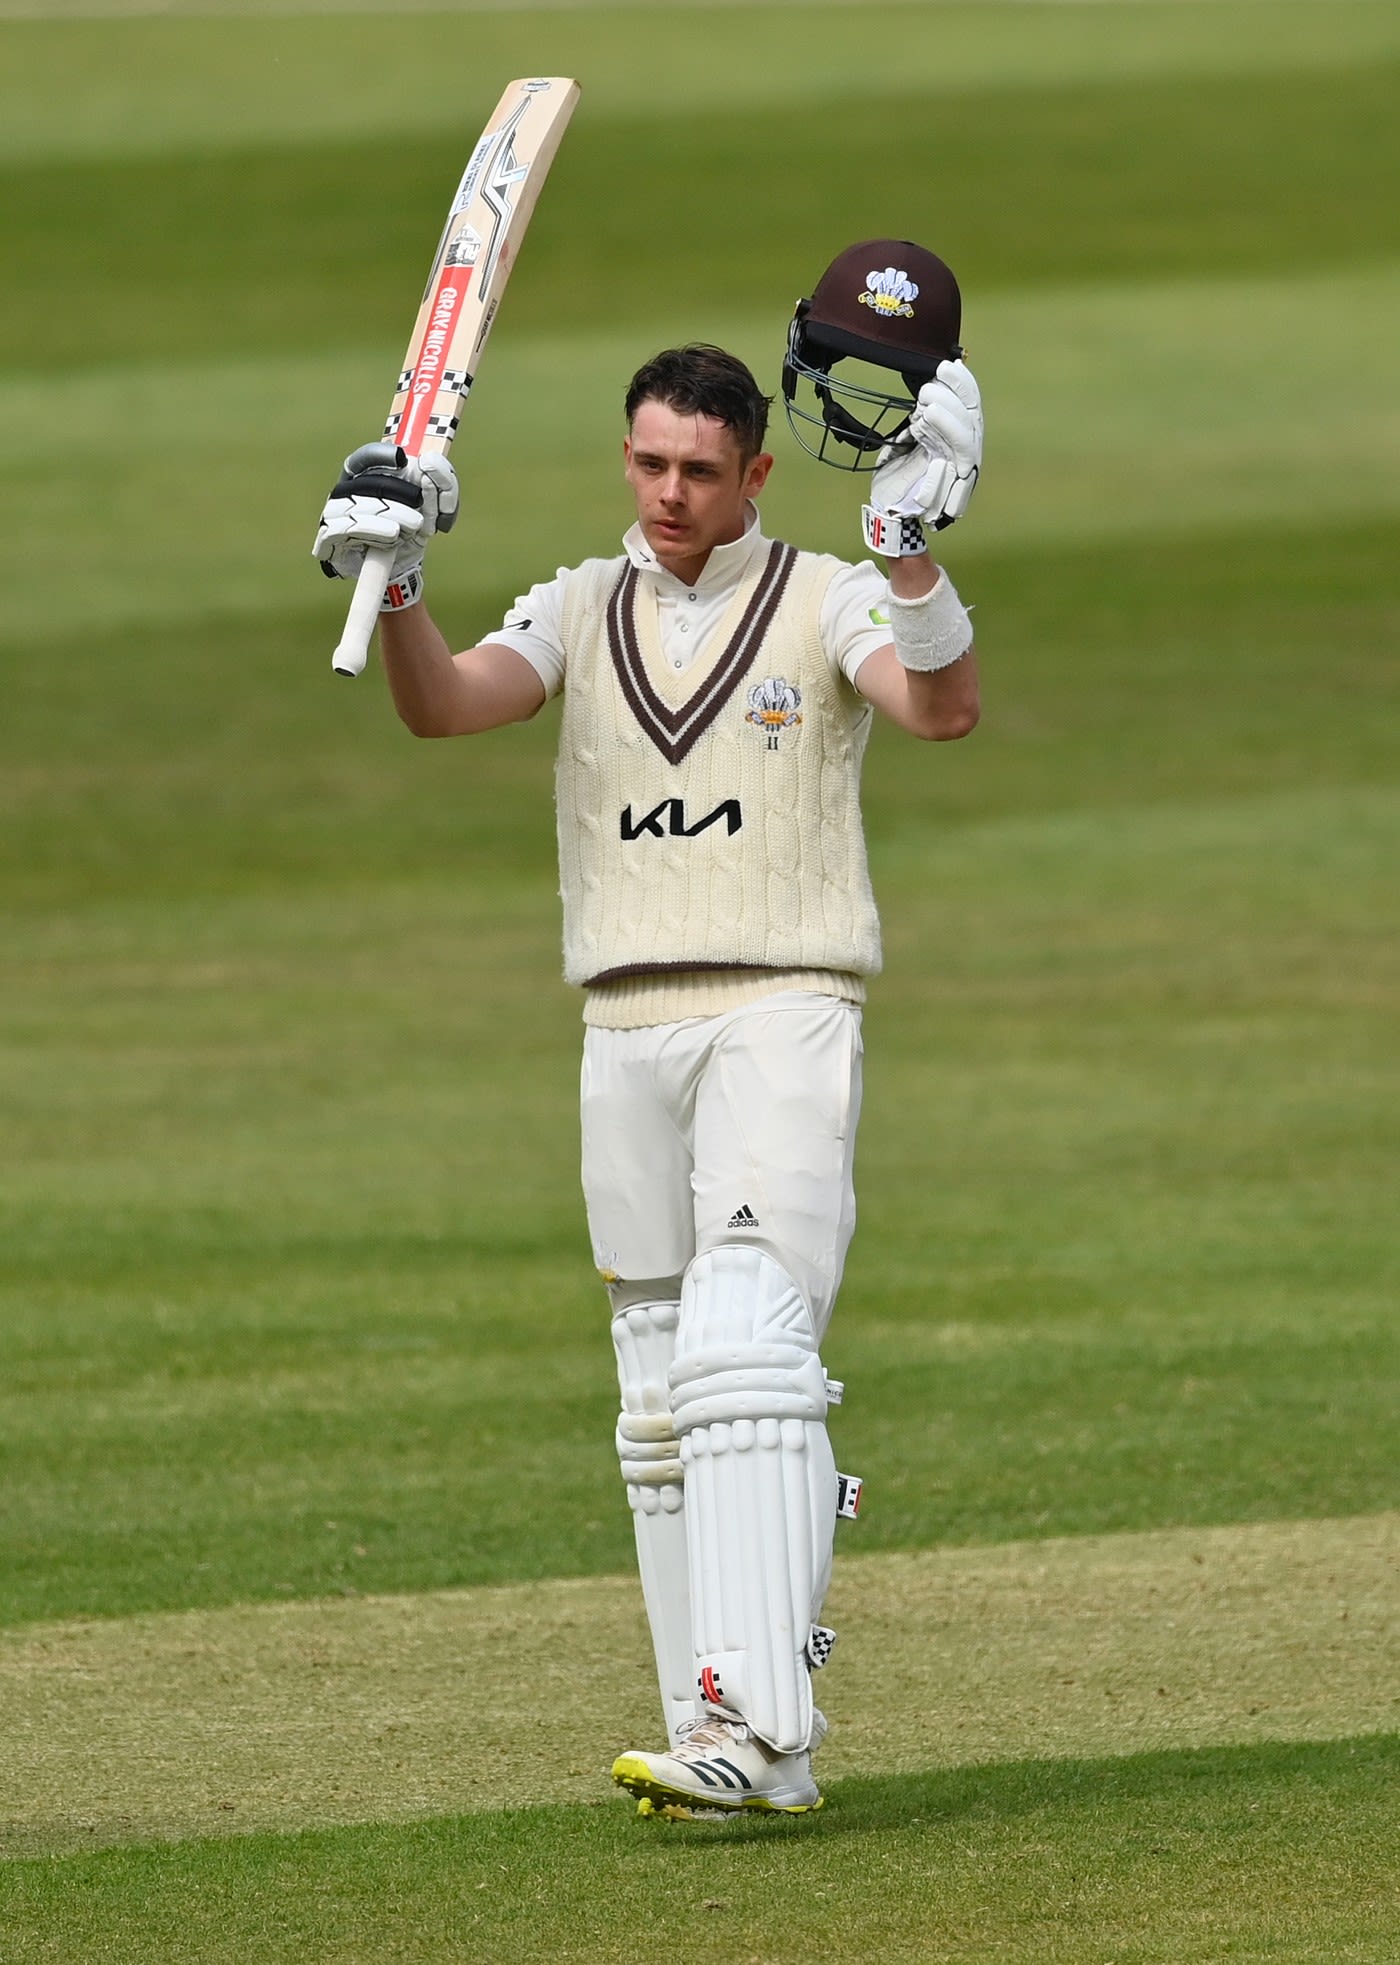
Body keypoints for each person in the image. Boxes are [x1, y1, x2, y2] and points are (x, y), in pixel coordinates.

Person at [313, 239, 983, 1818]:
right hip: (624, 1024)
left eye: (700, 467)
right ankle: (736, 1740)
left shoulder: (821, 599)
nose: (671, 491)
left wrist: (910, 555)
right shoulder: (574, 601)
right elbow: (446, 703)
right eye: (649, 461)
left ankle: (755, 1728)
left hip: (779, 1003)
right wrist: (397, 578)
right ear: (625, 456)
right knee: (660, 1396)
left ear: (755, 469)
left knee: (748, 1352)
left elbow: (940, 709)